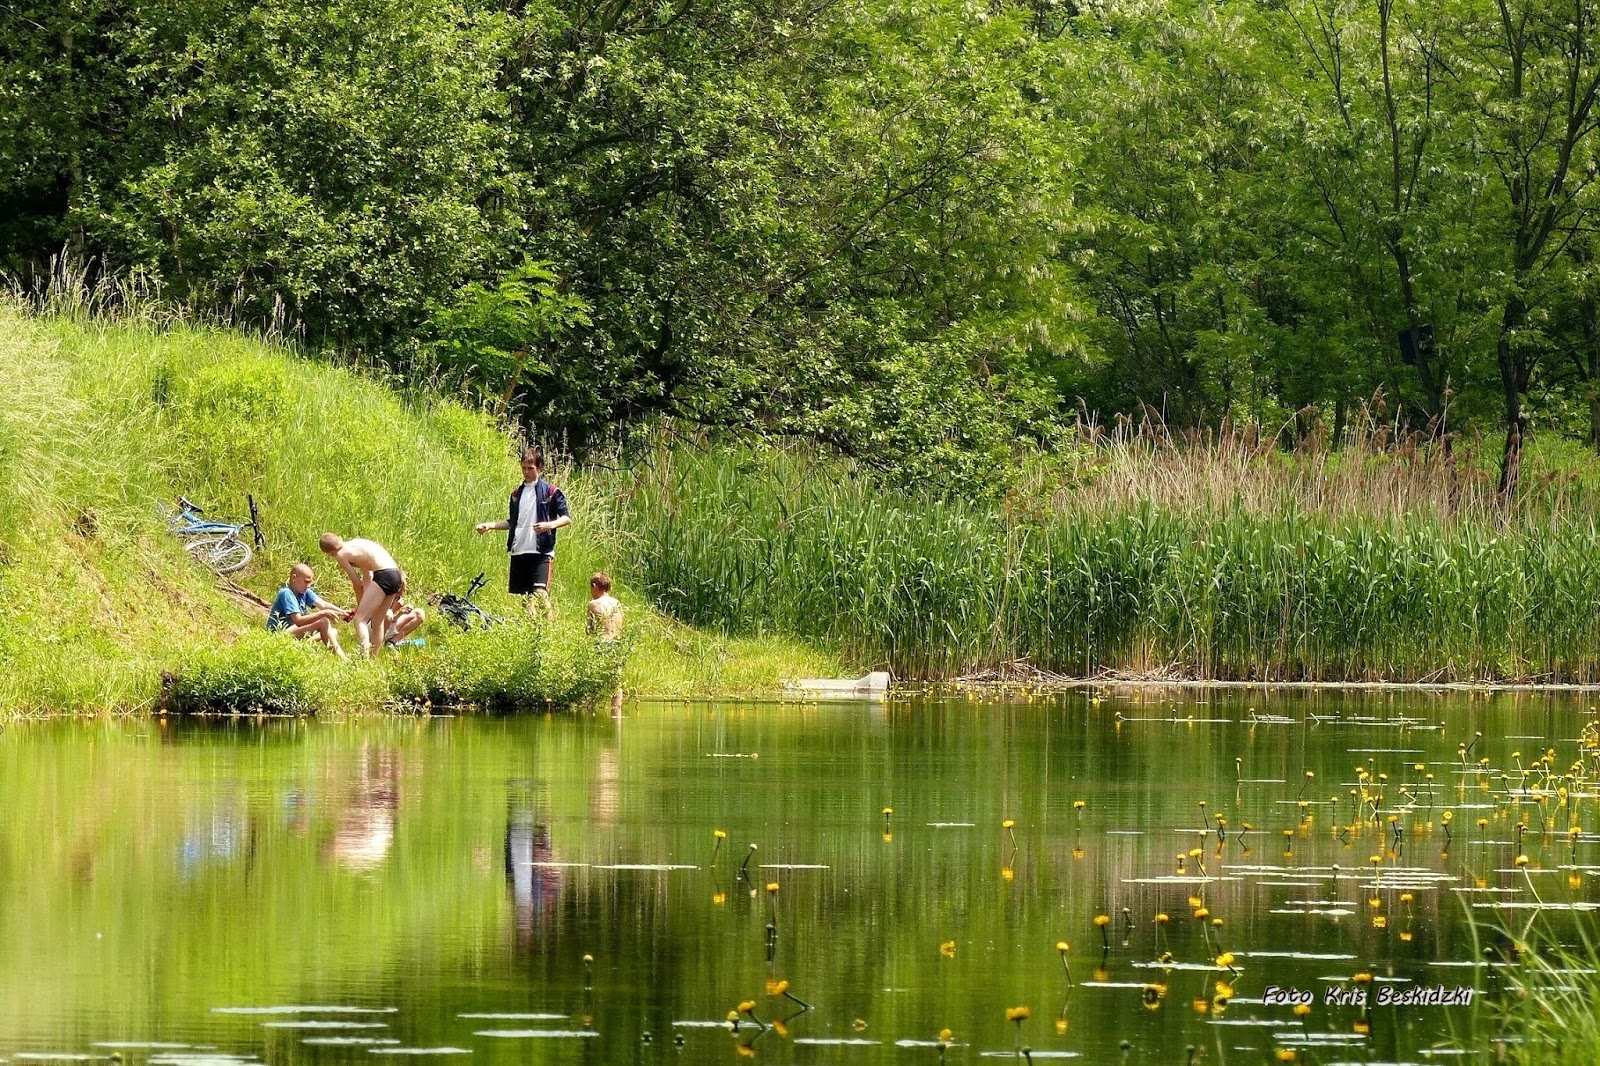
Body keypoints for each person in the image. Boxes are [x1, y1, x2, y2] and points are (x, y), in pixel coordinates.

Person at [473, 447, 571, 617]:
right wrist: (489, 525)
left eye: (530, 468)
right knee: (526, 599)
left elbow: (566, 518)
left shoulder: (551, 492)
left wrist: (549, 525)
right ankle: (531, 636)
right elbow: (513, 522)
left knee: (540, 594)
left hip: (541, 551)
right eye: (524, 468)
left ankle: (550, 632)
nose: (526, 472)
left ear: (539, 468)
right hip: (520, 550)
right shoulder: (516, 494)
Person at [319, 532, 405, 657]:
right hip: (396, 575)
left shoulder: (341, 555)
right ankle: (373, 659)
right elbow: (368, 575)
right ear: (339, 538)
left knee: (360, 619)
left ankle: (363, 658)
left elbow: (357, 583)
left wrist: (361, 605)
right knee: (378, 621)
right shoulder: (356, 543)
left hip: (383, 575)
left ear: (329, 553)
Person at [266, 562, 348, 659]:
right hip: (280, 633)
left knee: (332, 631)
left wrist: (342, 612)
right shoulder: (287, 593)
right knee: (323, 622)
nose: (308, 585)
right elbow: (298, 621)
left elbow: (323, 605)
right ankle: (336, 651)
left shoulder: (304, 591)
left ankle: (306, 644)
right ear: (294, 578)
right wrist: (323, 614)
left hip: (294, 630)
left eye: (310, 582)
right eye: (306, 582)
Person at [586, 572, 624, 715]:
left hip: (601, 643)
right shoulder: (617, 603)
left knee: (593, 677)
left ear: (595, 586)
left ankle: (590, 708)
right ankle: (616, 710)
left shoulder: (593, 604)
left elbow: (589, 630)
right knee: (616, 679)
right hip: (617, 643)